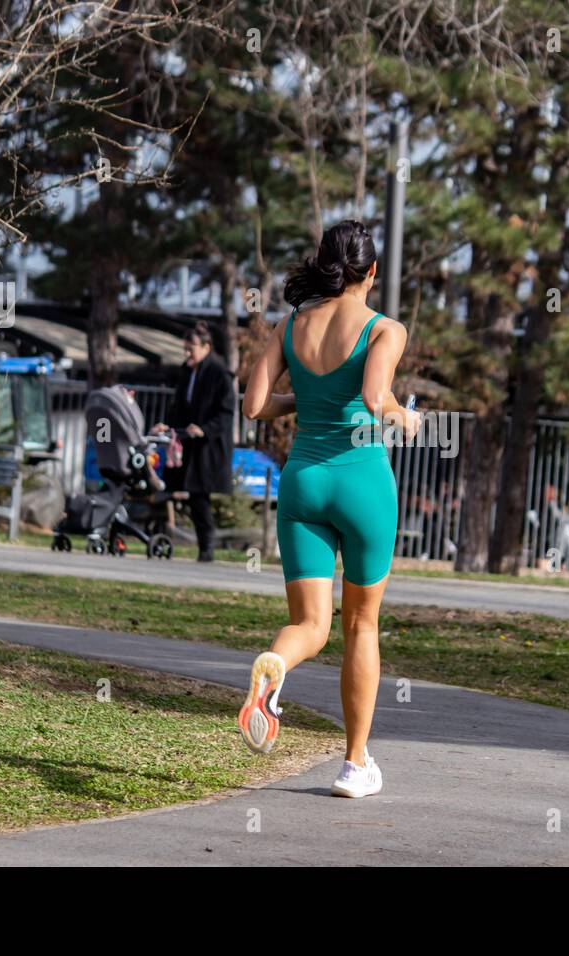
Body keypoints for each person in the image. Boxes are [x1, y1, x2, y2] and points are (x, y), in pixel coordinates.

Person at [237, 219, 419, 798]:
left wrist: (307, 400)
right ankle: (354, 764)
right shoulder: (386, 328)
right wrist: (405, 417)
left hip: (301, 484)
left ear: (325, 265)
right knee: (362, 625)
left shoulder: (292, 324)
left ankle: (275, 667)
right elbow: (372, 396)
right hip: (361, 484)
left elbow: (256, 405)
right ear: (371, 272)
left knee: (309, 626)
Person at [154, 322, 236, 562]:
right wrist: (167, 426)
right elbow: (179, 407)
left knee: (200, 495)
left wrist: (204, 430)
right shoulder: (188, 372)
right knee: (187, 493)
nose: (187, 354)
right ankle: (193, 545)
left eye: (191, 349)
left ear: (206, 347)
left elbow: (226, 413)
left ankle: (206, 548)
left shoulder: (219, 374)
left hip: (208, 447)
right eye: (185, 349)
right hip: (188, 443)